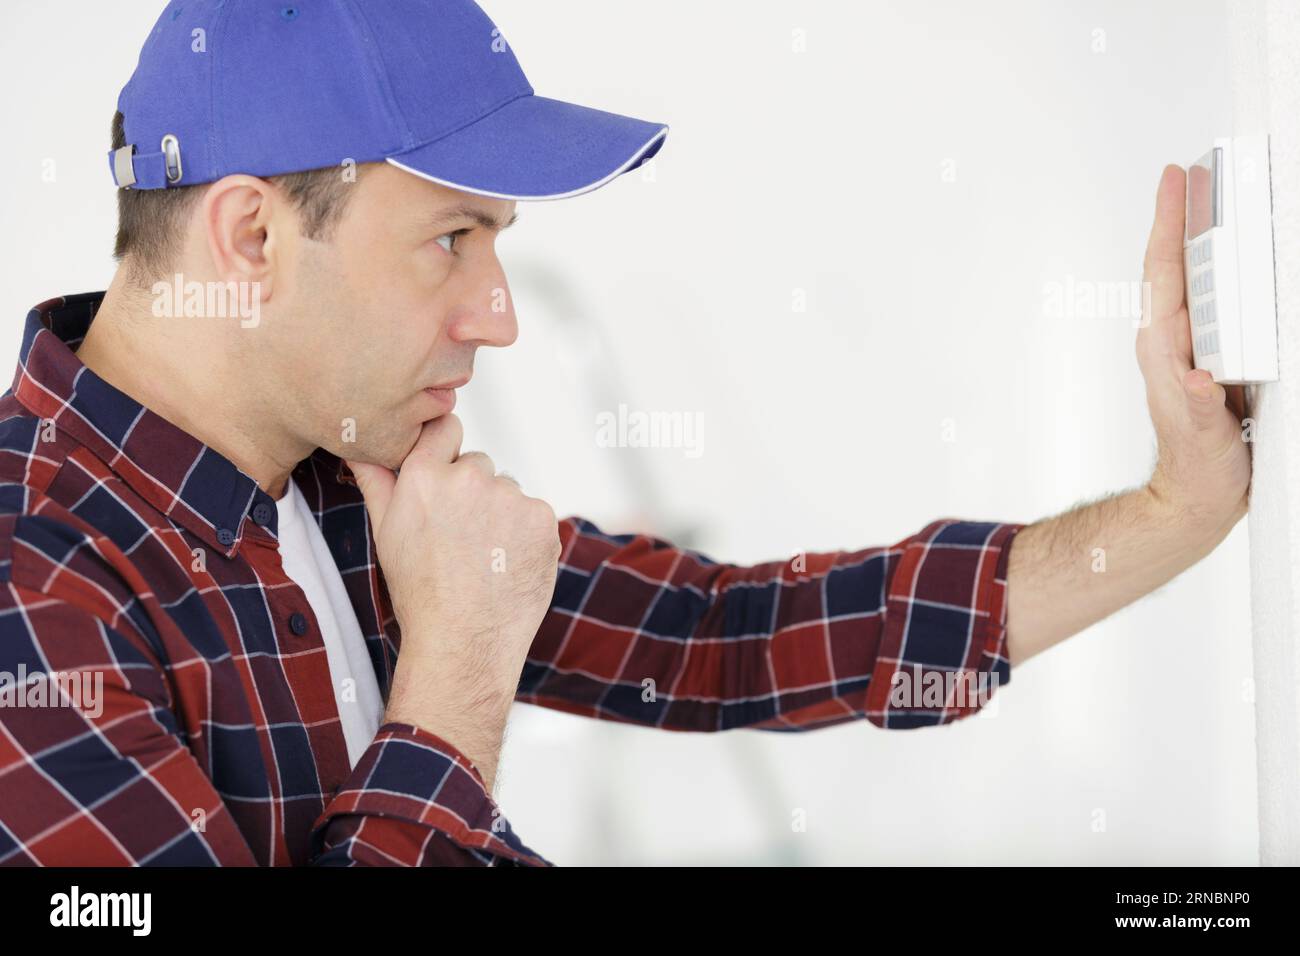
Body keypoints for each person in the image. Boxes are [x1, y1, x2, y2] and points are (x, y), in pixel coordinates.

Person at [0, 0, 1247, 867]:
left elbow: (720, 641)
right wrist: (460, 673)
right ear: (253, 238)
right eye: (452, 239)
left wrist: (1177, 509)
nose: (498, 317)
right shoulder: (32, 592)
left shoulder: (342, 477)